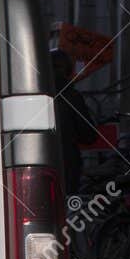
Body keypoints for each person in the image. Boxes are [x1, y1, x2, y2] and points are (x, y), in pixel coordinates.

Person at [50, 48, 100, 194]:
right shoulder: (71, 96)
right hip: (67, 163)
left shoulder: (33, 96)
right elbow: (88, 135)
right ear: (68, 71)